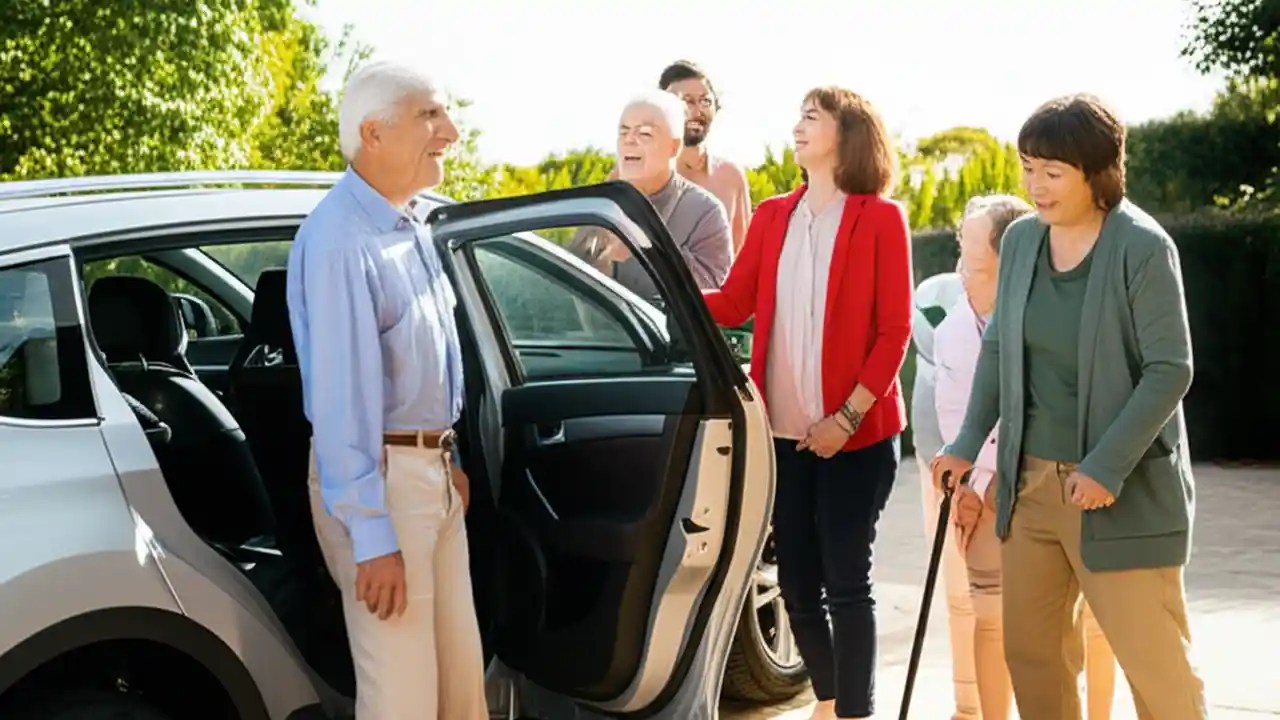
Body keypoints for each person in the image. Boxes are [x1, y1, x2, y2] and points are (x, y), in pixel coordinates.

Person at [933, 94, 1207, 720]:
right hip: (1030, 489)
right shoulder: (1025, 241)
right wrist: (966, 444)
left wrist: (1105, 467)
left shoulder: (1142, 246)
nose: (1035, 186)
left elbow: (1171, 369)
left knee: (1157, 670)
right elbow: (999, 346)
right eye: (1029, 167)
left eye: (1052, 172)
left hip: (1122, 494)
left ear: (1097, 170)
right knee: (1035, 661)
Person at [702, 86, 912, 720]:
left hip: (860, 436)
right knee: (795, 582)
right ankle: (830, 696)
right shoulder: (770, 217)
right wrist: (661, 286)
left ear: (845, 136)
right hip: (785, 437)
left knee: (847, 582)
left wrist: (845, 419)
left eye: (810, 118)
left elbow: (894, 331)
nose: (795, 128)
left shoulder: (880, 218)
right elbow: (733, 304)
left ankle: (855, 713)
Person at [286, 61, 488, 720]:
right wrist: (372, 536)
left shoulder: (409, 224)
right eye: (431, 115)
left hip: (427, 477)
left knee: (460, 693)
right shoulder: (342, 240)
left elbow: (422, 370)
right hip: (380, 487)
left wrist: (446, 461)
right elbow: (344, 400)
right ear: (373, 133)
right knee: (402, 702)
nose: (450, 132)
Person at [938, 194, 1118, 720]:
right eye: (960, 259)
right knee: (990, 615)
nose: (962, 276)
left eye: (974, 265)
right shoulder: (953, 326)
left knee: (1092, 620)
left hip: (1066, 482)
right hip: (985, 488)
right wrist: (975, 484)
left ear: (1014, 261)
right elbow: (956, 413)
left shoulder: (1061, 315)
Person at [570, 89, 732, 299]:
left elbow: (709, 297)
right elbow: (565, 283)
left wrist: (640, 247)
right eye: (623, 132)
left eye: (644, 133)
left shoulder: (706, 213)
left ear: (674, 147)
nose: (629, 140)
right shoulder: (601, 206)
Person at [907, 269, 978, 720]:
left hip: (994, 471)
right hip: (937, 467)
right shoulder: (935, 295)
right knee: (957, 593)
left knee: (995, 600)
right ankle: (967, 706)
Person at [658, 60, 753, 253]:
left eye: (705, 101)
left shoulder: (731, 177)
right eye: (686, 101)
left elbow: (743, 258)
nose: (697, 111)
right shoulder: (637, 173)